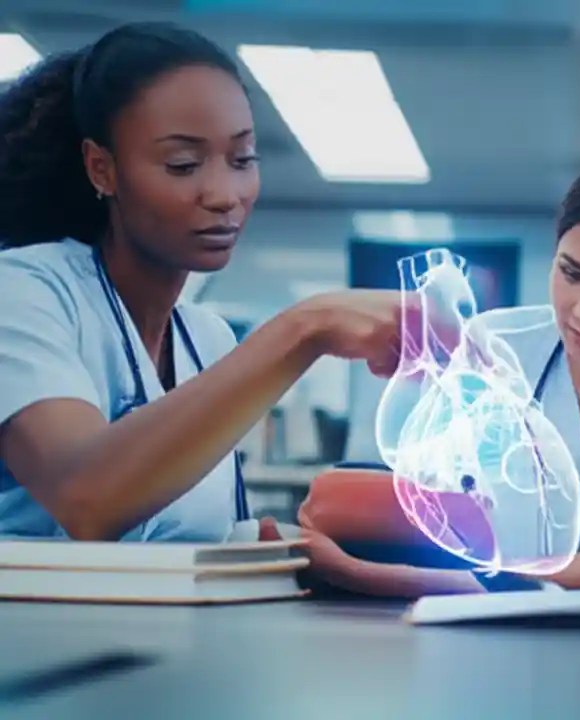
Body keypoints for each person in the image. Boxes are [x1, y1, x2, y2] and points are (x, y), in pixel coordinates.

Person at [0, 22, 408, 542]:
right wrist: (308, 326)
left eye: (242, 160)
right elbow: (88, 497)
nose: (224, 194)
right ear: (101, 169)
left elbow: (216, 541)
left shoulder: (206, 339)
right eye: (183, 164)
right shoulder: (23, 293)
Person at [298, 149, 580, 593]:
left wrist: (495, 575)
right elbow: (429, 519)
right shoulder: (495, 344)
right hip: (476, 623)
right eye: (572, 273)